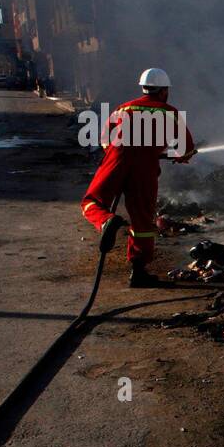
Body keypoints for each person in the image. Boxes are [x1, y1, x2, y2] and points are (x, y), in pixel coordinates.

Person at [80, 67, 196, 287]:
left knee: (91, 201)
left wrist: (119, 155)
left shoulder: (124, 108)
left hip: (116, 160)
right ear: (163, 91)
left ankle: (105, 220)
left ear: (143, 88)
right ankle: (138, 271)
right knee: (142, 221)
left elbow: (104, 139)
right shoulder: (169, 113)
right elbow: (187, 149)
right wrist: (180, 156)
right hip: (145, 168)